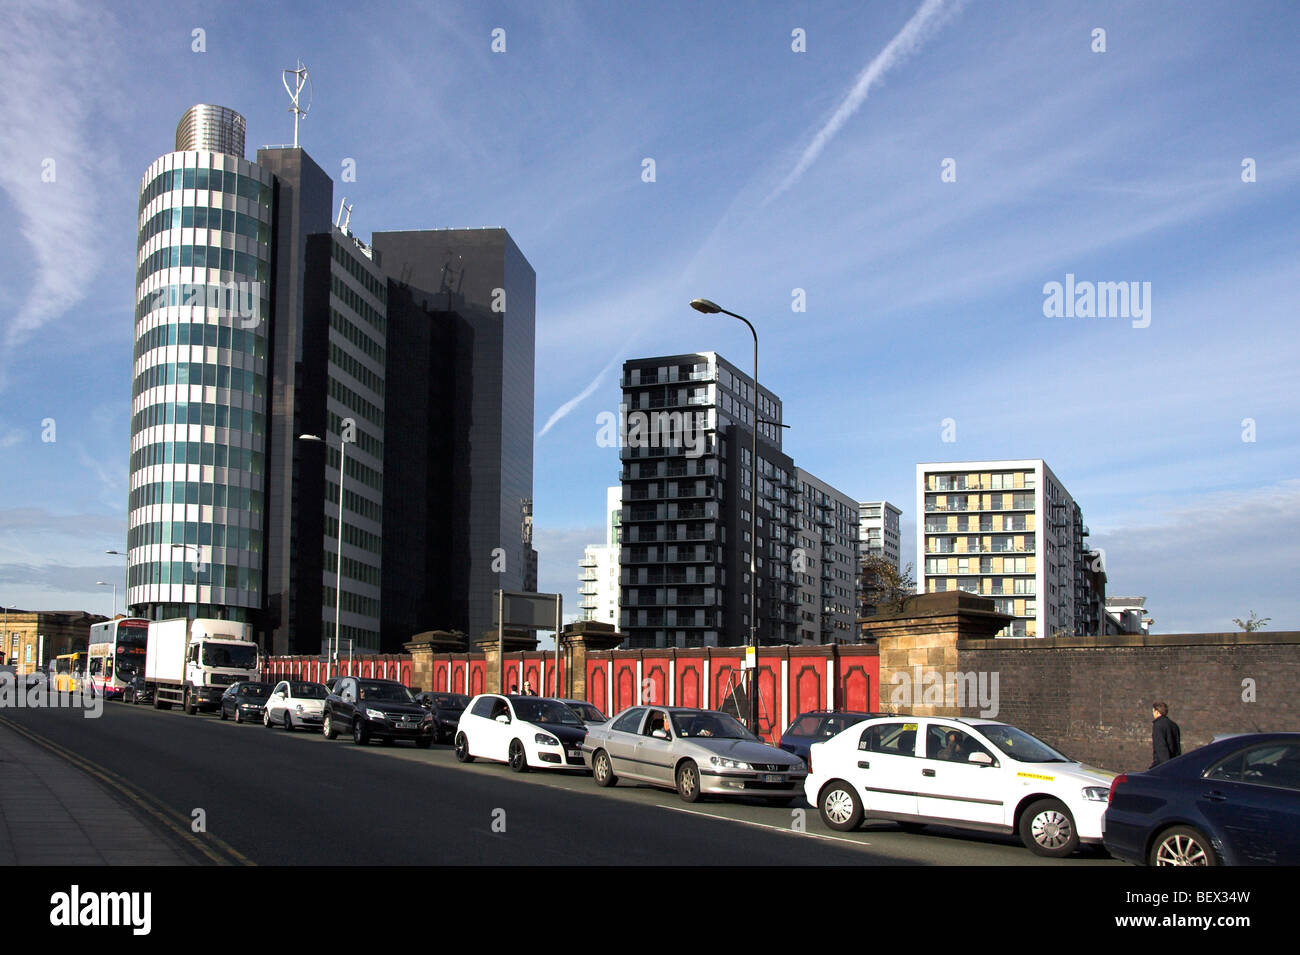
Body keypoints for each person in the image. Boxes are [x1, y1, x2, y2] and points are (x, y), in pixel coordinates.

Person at [1150, 701, 1182, 767]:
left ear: (1156, 712)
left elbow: (1161, 747)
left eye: (1153, 711)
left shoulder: (1158, 725)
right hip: (1175, 763)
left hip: (1162, 766)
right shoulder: (1174, 725)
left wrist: (1165, 766)